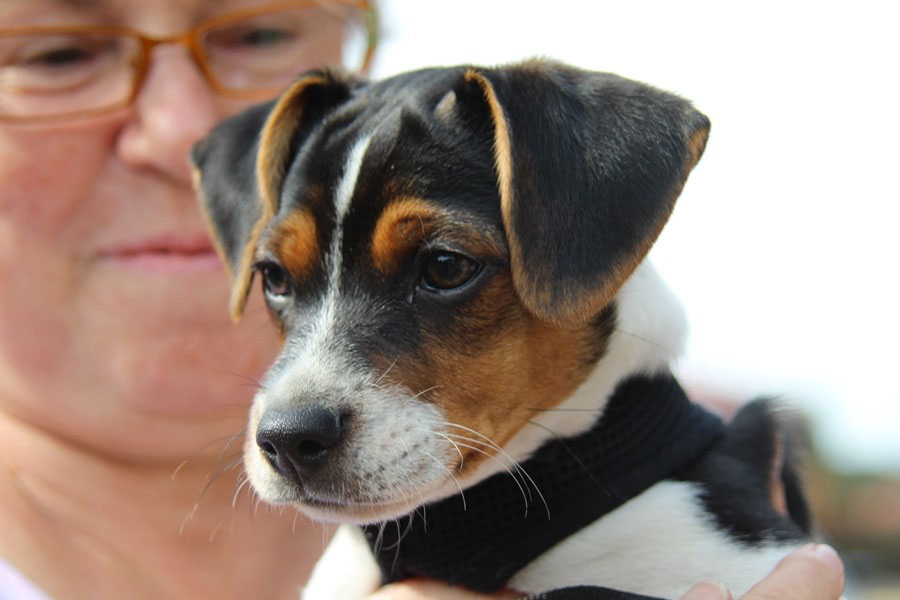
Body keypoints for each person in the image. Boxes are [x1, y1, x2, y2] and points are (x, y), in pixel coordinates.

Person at [0, 1, 845, 598]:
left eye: (442, 268)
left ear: (593, 237)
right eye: (282, 279)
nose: (296, 403)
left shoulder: (708, 529)